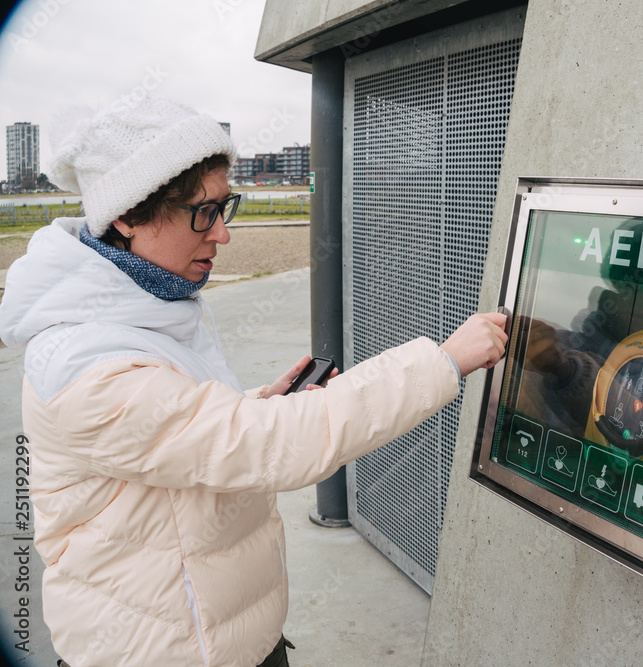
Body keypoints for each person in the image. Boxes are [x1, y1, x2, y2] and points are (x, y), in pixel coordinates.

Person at [0, 97, 507, 667]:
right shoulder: (86, 363)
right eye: (202, 212)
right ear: (127, 217)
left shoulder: (141, 306)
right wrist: (443, 363)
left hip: (219, 635)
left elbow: (178, 433)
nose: (222, 234)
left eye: (226, 207)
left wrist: (254, 403)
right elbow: (267, 446)